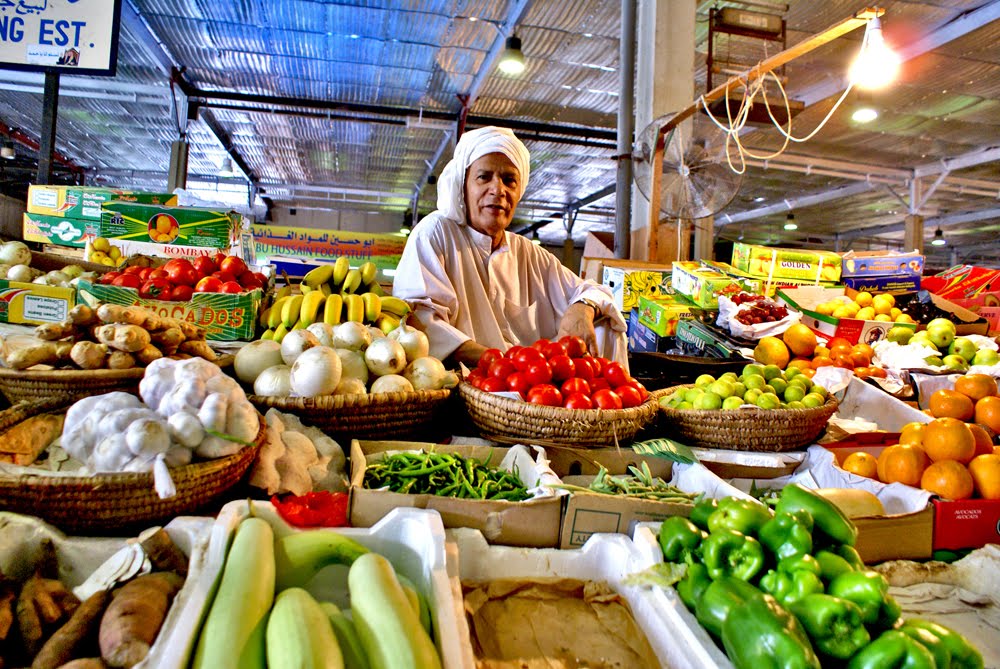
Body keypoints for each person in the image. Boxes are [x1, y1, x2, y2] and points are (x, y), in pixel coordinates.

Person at [392, 126, 627, 369]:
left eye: (509, 180)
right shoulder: (436, 233)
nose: (498, 189)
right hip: (462, 384)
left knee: (603, 321)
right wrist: (503, 364)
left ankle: (610, 402)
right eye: (484, 177)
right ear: (463, 186)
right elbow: (421, 323)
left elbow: (595, 291)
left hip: (529, 389)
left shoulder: (529, 253)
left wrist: (582, 307)